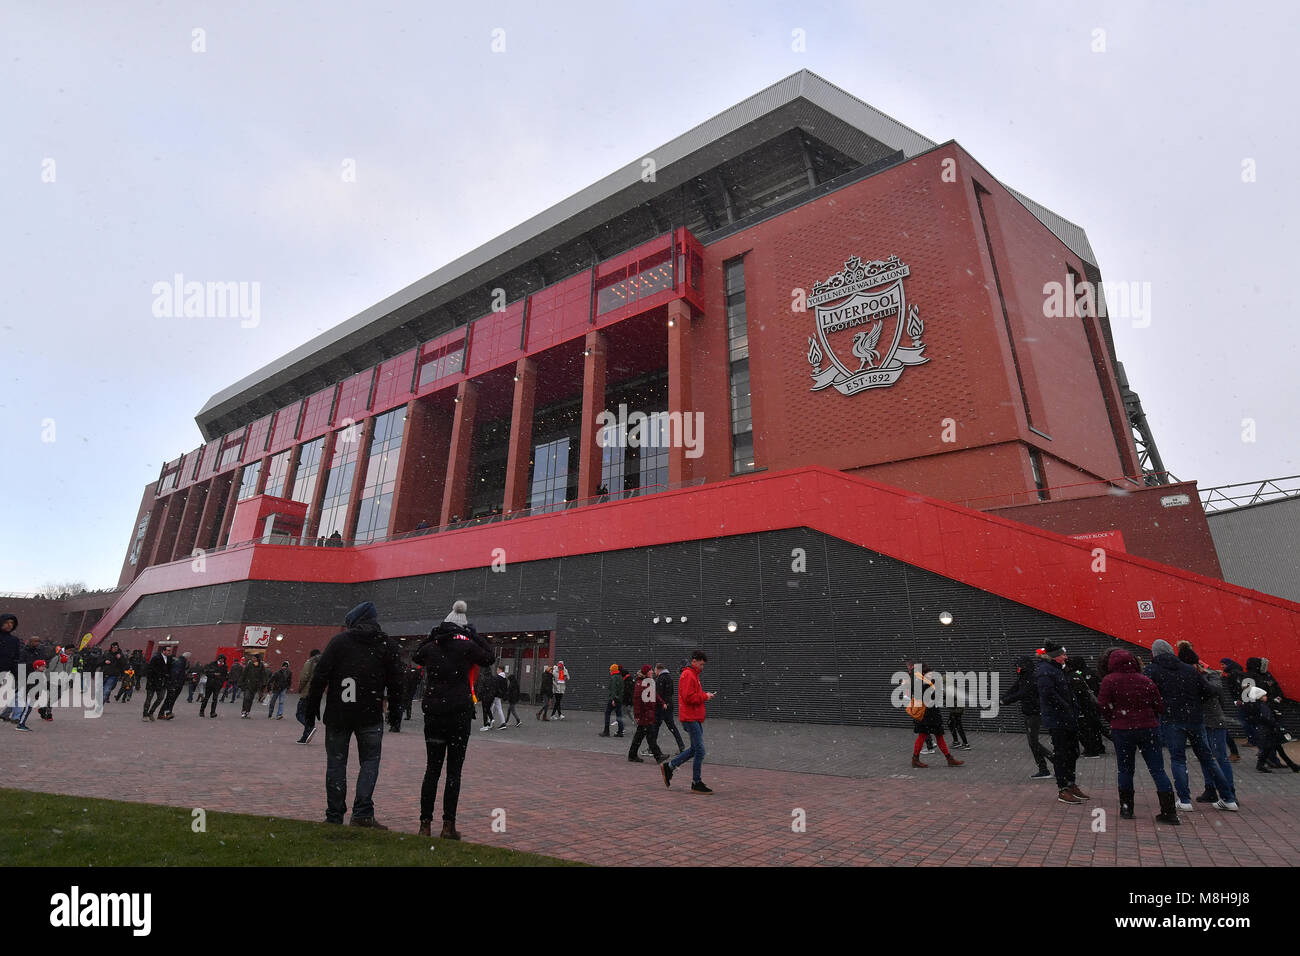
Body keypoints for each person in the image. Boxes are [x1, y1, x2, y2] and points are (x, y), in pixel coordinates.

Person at [304, 601, 405, 828]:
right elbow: (397, 681)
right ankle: (362, 812)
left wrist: (311, 708)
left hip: (339, 712)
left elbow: (320, 675)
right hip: (369, 713)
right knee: (370, 761)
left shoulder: (340, 642)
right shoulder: (386, 644)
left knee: (336, 764)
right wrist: (396, 712)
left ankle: (334, 815)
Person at [412, 600, 494, 839]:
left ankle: (424, 824)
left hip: (434, 715)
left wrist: (432, 635)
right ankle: (448, 825)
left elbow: (417, 654)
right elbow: (489, 657)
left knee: (432, 770)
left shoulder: (432, 647)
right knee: (453, 773)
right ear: (463, 628)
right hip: (459, 714)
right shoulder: (467, 646)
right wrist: (474, 636)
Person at [1144, 638, 1237, 812]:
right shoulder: (1188, 669)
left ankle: (1185, 800)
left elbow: (1149, 694)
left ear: (1154, 653)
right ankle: (1228, 797)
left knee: (1178, 759)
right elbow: (1207, 691)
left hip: (1171, 720)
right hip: (1195, 719)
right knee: (1208, 758)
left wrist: (1162, 706)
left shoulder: (1152, 670)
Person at [1097, 648, 1180, 824]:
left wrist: (1114, 717)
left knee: (1125, 769)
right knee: (1158, 769)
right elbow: (1159, 705)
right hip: (1148, 728)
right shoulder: (1145, 680)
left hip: (1122, 729)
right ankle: (1169, 811)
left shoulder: (1109, 680)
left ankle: (1127, 809)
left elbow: (1103, 705)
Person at [1180, 645, 1237, 805]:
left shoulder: (1210, 675)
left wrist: (1200, 678)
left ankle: (1230, 791)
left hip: (1214, 720)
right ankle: (1210, 789)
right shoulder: (1189, 676)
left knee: (1220, 757)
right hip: (1200, 721)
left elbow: (1216, 691)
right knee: (1205, 757)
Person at [660, 650, 717, 793]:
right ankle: (696, 782)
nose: (702, 667)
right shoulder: (688, 675)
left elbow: (691, 696)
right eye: (701, 664)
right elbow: (688, 698)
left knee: (694, 749)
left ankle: (669, 767)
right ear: (694, 661)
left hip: (694, 718)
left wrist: (704, 696)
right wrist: (705, 696)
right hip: (690, 718)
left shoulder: (693, 675)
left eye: (703, 665)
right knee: (700, 750)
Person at [1036, 642, 1085, 804]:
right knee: (1062, 753)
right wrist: (1066, 708)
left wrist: (1074, 709)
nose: (1066, 657)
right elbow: (1049, 694)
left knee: (1072, 752)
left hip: (1067, 717)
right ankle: (1063, 788)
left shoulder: (1058, 669)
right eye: (1063, 654)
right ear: (1054, 655)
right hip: (1058, 719)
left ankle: (1070, 784)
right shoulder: (1045, 671)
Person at [1000, 655, 1054, 779]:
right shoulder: (1023, 677)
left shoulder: (1032, 678)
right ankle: (1044, 768)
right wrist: (1003, 698)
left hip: (1034, 714)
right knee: (1032, 743)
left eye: (1019, 666)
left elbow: (1022, 693)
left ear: (1024, 666)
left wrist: (1005, 701)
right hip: (1029, 713)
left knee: (1033, 742)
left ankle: (1053, 761)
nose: (1017, 668)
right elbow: (1014, 689)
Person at [906, 663, 963, 768]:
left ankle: (949, 758)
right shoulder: (922, 683)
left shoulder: (926, 683)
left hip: (932, 714)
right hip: (926, 715)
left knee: (938, 736)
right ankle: (916, 759)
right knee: (923, 736)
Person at [1242, 686, 1299, 773]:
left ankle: (1261, 765)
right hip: (1269, 730)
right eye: (1264, 696)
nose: (1266, 697)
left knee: (1272, 748)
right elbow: (1267, 718)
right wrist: (1276, 726)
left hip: (1267, 730)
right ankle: (1292, 766)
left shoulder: (1257, 705)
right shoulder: (1262, 706)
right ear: (1259, 697)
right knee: (1274, 749)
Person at [1066, 656, 1107, 757]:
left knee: (1087, 728)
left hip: (1086, 705)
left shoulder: (1077, 675)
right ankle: (1099, 747)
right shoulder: (1090, 672)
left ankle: (1092, 749)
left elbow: (1082, 691)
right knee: (1096, 727)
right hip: (1094, 704)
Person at [628, 665, 666, 763]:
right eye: (650, 670)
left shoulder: (646, 683)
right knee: (650, 736)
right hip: (645, 714)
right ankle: (658, 756)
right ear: (646, 672)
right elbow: (637, 701)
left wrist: (662, 702)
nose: (652, 672)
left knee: (640, 736)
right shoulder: (641, 684)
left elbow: (654, 694)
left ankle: (632, 755)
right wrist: (637, 715)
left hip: (647, 714)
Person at [653, 663, 686, 752]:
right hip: (669, 704)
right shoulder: (669, 677)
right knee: (672, 727)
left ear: (658, 669)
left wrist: (660, 704)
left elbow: (658, 694)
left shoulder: (660, 678)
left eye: (655, 670)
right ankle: (681, 746)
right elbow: (671, 692)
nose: (655, 672)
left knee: (655, 727)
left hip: (662, 706)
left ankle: (652, 748)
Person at [143, 645, 172, 721]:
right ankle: (145, 715)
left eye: (170, 650)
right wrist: (151, 679)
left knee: (160, 698)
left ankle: (151, 712)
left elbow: (169, 670)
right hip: (153, 682)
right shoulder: (156, 658)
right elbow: (150, 669)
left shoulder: (169, 659)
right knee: (149, 699)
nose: (169, 652)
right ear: (163, 651)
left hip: (162, 683)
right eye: (168, 650)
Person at [944, 673, 969, 750]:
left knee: (958, 726)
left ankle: (966, 744)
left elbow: (954, 702)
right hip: (955, 710)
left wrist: (945, 702)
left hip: (957, 710)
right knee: (950, 724)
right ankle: (956, 742)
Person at [599, 664, 626, 737]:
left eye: (610, 670)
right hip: (619, 699)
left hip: (613, 699)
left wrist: (613, 699)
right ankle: (620, 731)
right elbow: (621, 689)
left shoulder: (614, 677)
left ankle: (606, 731)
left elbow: (613, 689)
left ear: (613, 670)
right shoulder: (620, 677)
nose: (610, 671)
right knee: (619, 715)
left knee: (607, 713)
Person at [490, 665, 508, 729]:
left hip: (496, 695)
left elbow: (495, 687)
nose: (497, 671)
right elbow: (505, 688)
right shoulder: (504, 678)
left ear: (500, 670)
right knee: (495, 708)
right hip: (500, 695)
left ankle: (500, 723)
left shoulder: (497, 678)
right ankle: (492, 722)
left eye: (497, 669)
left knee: (496, 709)